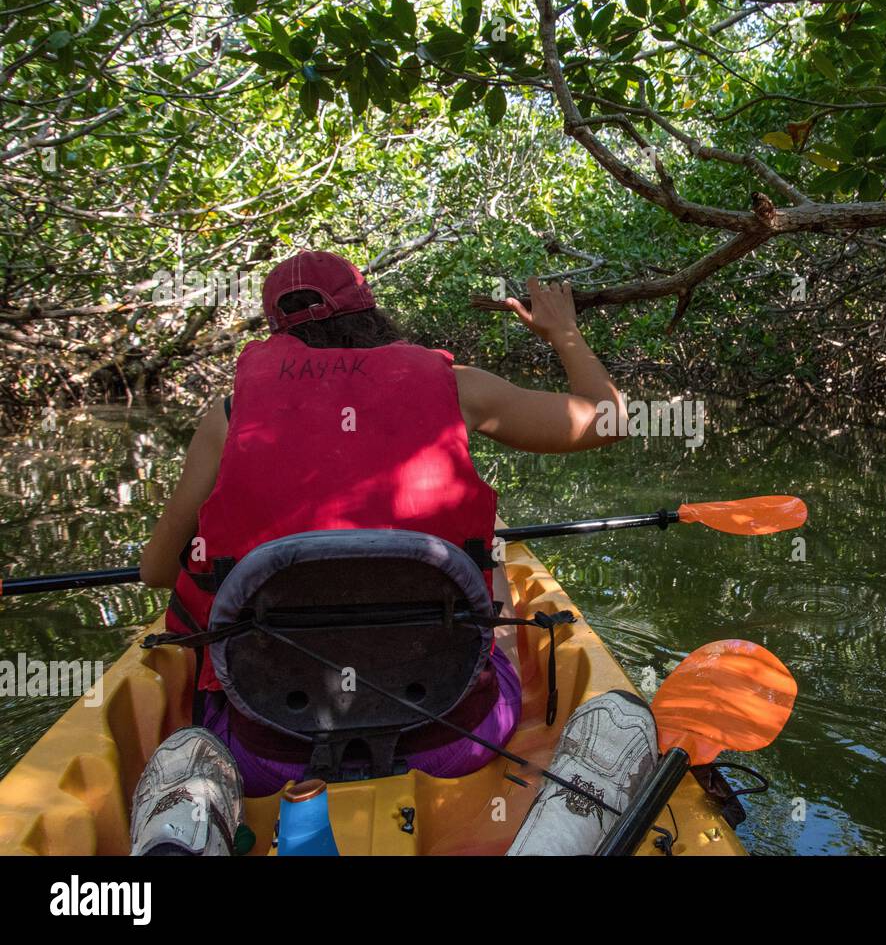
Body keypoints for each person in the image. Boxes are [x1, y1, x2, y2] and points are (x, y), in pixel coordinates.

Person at [131, 250, 629, 854]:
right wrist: (563, 331)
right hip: (457, 738)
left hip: (267, 752)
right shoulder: (456, 387)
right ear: (370, 312)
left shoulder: (231, 417)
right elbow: (607, 420)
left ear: (275, 330)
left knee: (196, 735)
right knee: (489, 561)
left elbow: (158, 572)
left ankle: (192, 812)